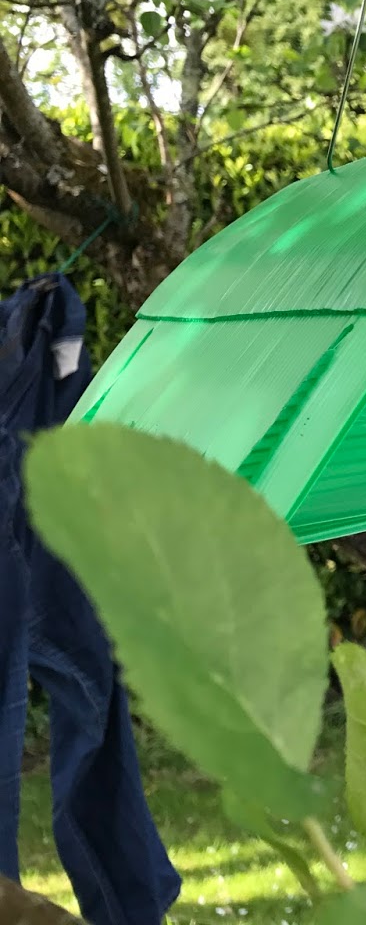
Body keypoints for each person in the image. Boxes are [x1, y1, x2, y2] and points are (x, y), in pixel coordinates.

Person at [0, 272, 181, 924]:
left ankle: (127, 900)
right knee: (88, 688)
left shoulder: (50, 328)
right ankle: (128, 898)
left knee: (91, 689)